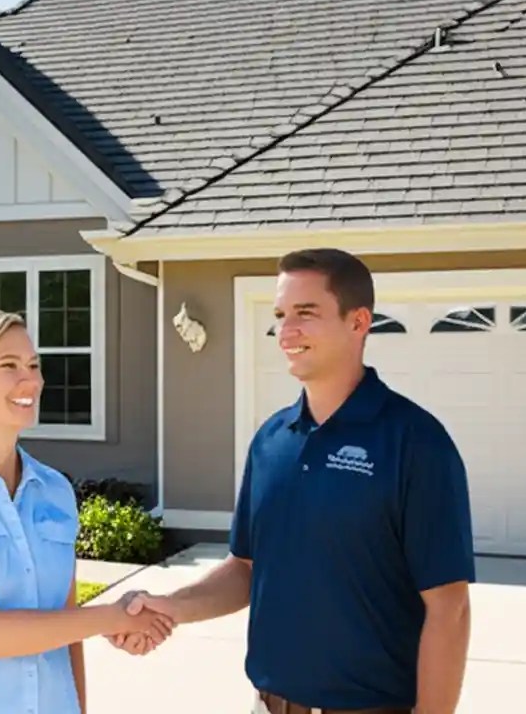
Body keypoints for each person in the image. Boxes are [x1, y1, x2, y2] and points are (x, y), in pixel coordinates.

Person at [111, 249, 476, 714]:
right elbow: (245, 569)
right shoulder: (271, 441)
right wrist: (170, 606)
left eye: (306, 313)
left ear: (358, 322)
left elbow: (449, 608)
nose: (286, 331)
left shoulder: (416, 443)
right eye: (281, 314)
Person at [0, 308, 173, 714]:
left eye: (33, 364)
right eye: (8, 365)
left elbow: (66, 624)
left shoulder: (55, 491)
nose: (31, 379)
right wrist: (112, 618)